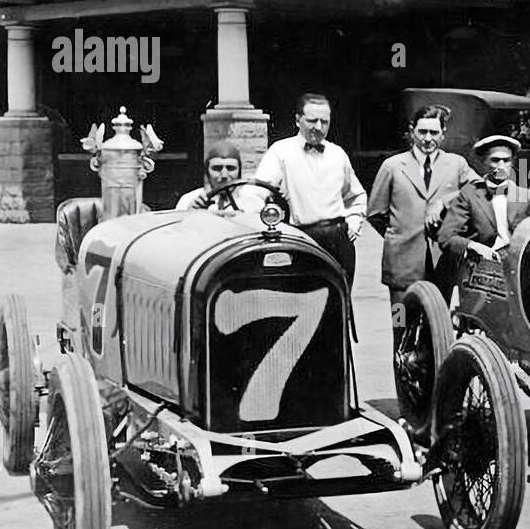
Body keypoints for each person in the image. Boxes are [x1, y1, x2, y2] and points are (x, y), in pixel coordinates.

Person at [367, 105, 481, 343]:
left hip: (442, 262)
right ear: (411, 132)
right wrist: (398, 236)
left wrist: (445, 201)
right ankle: (399, 376)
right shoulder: (393, 166)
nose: (428, 139)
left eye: (434, 132)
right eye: (422, 132)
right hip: (402, 266)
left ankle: (430, 377)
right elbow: (376, 214)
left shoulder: (456, 164)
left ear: (443, 133)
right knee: (399, 325)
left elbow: (479, 191)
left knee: (437, 330)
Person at [254, 93, 366, 281]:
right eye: (312, 120)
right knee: (306, 303)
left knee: (341, 302)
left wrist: (354, 221)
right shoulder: (281, 152)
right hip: (303, 238)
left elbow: (356, 195)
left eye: (324, 121)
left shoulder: (337, 154)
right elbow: (257, 192)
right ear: (298, 120)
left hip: (339, 239)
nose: (318, 127)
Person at [438, 135, 530, 263]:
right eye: (495, 160)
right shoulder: (469, 195)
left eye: (506, 160)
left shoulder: (528, 197)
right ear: (483, 162)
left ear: (513, 162)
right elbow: (446, 236)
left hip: (519, 266)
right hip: (482, 266)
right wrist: (473, 246)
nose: (501, 166)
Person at [176, 139, 250, 213]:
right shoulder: (188, 200)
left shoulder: (253, 204)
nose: (224, 175)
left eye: (230, 168)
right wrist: (190, 215)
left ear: (239, 171)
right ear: (207, 171)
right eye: (217, 168)